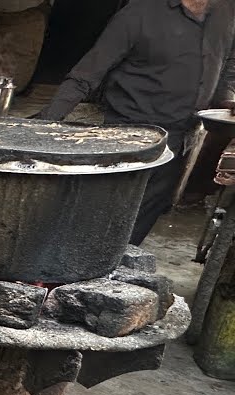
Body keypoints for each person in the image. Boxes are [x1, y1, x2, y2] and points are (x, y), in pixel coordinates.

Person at [37, 0, 235, 246]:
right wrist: (44, 124)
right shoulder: (140, 12)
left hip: (181, 141)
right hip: (127, 140)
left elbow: (226, 64)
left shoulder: (226, 13)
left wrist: (227, 102)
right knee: (97, 226)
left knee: (138, 228)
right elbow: (85, 76)